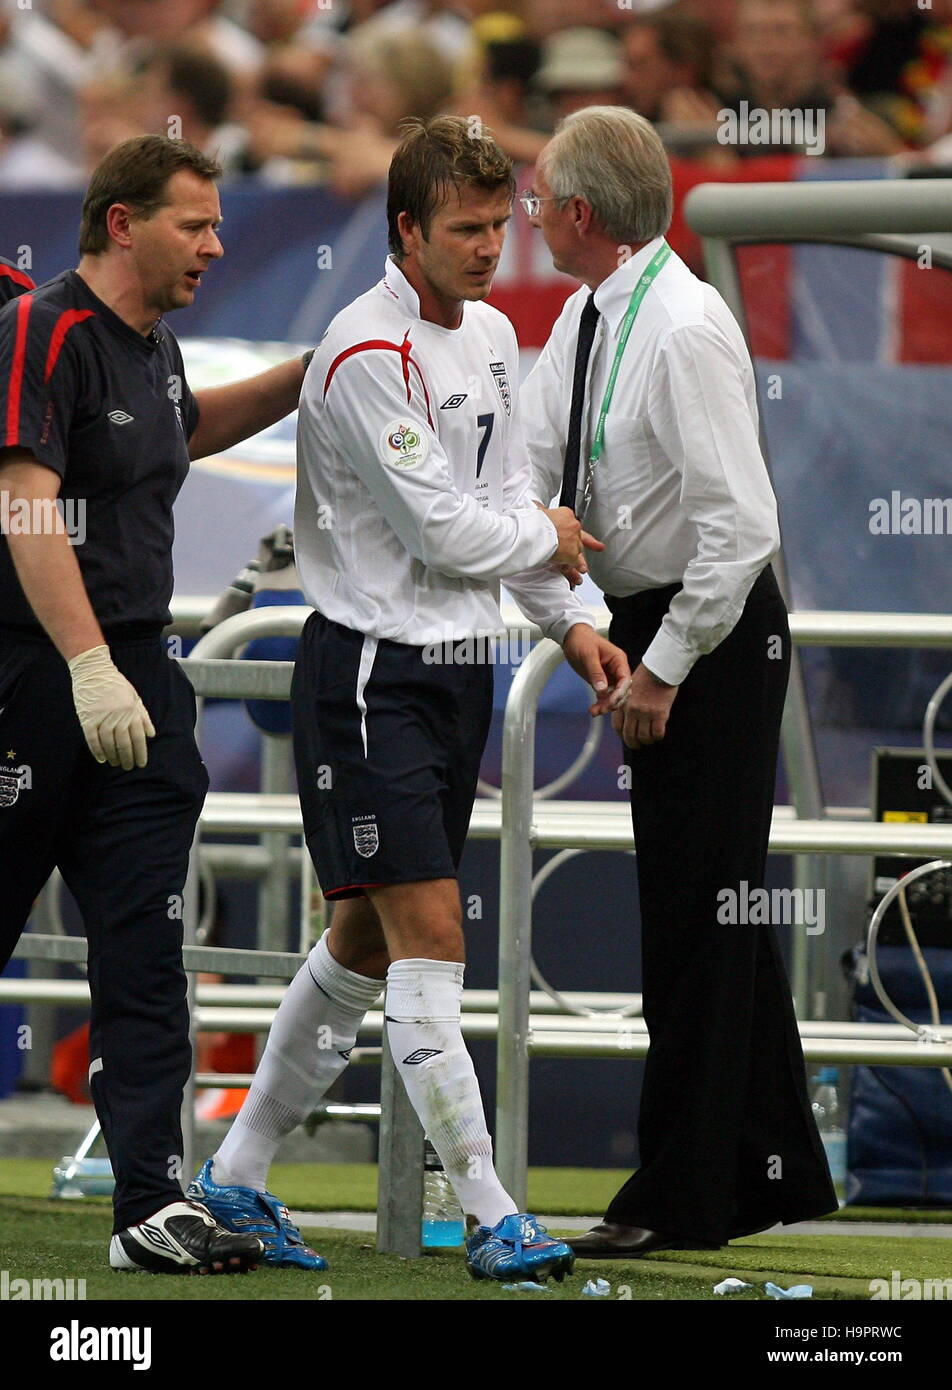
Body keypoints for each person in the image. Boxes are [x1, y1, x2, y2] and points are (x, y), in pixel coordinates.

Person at [189, 114, 630, 1284]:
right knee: (432, 935)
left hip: (456, 672)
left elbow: (500, 506)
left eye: (500, 225)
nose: (490, 248)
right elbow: (445, 526)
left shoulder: (490, 335)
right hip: (370, 674)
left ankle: (232, 1179)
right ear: (405, 232)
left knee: (360, 944)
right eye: (466, 229)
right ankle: (491, 1214)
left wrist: (573, 623)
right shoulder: (360, 351)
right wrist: (548, 540)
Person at [519, 105, 838, 1256]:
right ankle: (769, 1171)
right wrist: (578, 619)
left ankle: (677, 1191)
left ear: (582, 214)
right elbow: (534, 482)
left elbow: (742, 528)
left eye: (538, 195)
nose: (528, 213)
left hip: (712, 631)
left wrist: (658, 668)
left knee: (694, 915)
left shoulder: (684, 325)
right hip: (652, 618)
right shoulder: (586, 318)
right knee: (720, 909)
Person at [0, 134, 317, 1274]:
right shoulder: (44, 327)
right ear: (122, 223)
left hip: (140, 672)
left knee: (146, 953)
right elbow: (25, 510)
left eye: (222, 224)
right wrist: (85, 667)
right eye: (196, 223)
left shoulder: (152, 348)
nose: (217, 244)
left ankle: (149, 1203)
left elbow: (182, 434)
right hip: (31, 678)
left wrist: (305, 371)